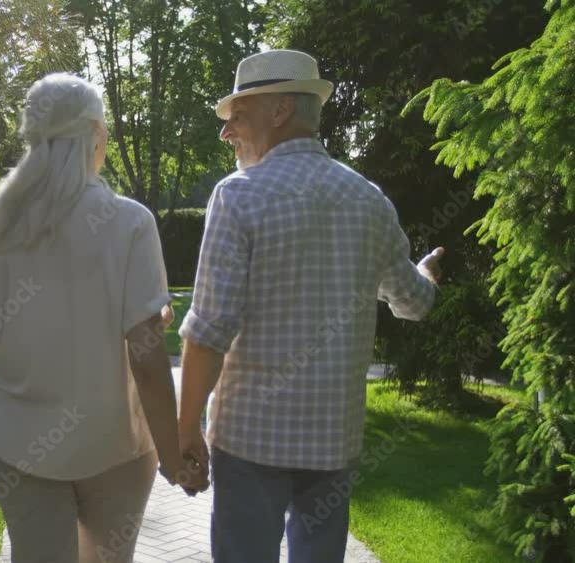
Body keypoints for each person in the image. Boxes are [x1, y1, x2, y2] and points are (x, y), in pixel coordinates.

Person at [176, 49, 444, 563]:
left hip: (249, 440)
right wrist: (428, 272)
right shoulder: (369, 199)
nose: (226, 132)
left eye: (238, 115)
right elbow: (413, 301)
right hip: (332, 442)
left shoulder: (238, 196)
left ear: (280, 110)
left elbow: (209, 328)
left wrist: (186, 430)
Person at [0, 72, 207, 563]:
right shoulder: (129, 222)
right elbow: (146, 356)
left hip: (18, 448)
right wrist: (172, 456)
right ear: (96, 134)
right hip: (114, 448)